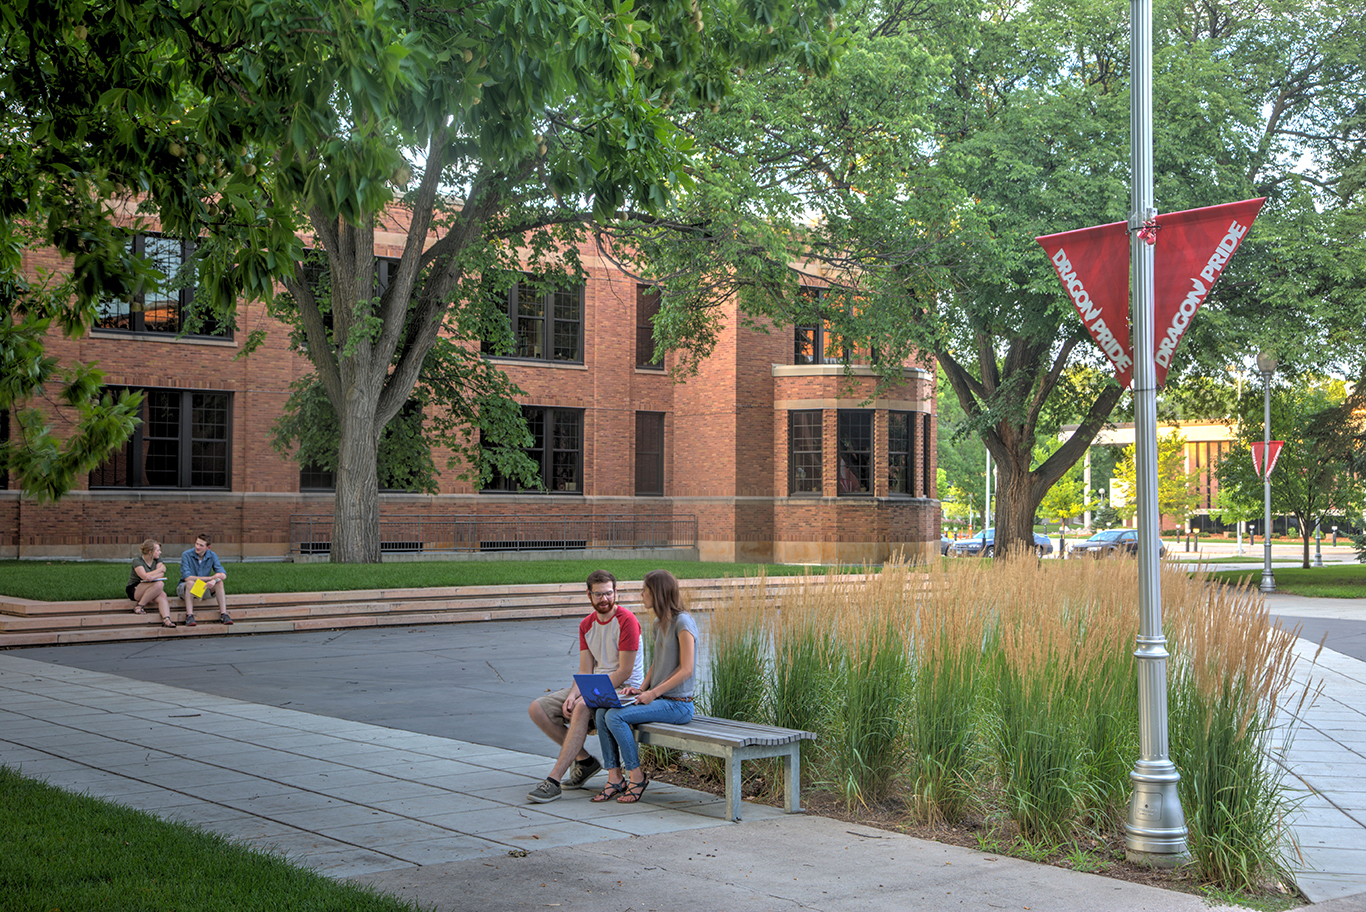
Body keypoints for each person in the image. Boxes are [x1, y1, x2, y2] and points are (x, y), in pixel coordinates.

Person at [527, 569, 644, 803]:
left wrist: (588, 696)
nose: (604, 599)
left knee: (581, 707)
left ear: (616, 592)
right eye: (598, 594)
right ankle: (585, 761)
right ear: (589, 595)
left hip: (625, 690)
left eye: (609, 593)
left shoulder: (626, 620)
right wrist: (573, 694)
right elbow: (585, 670)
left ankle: (553, 781)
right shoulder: (586, 625)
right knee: (538, 708)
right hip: (597, 686)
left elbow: (625, 671)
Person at [592, 569, 696, 805]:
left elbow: (687, 669)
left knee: (615, 717)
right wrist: (641, 689)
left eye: (645, 591)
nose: (642, 595)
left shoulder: (683, 622)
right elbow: (657, 662)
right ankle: (614, 778)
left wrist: (653, 693)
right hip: (660, 700)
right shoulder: (660, 623)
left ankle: (637, 777)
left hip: (678, 705)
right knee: (601, 712)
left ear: (658, 593)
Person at [178, 534, 231, 626]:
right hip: (185, 588)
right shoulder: (186, 554)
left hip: (202, 588)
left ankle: (224, 615)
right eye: (196, 544)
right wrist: (210, 578)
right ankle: (189, 616)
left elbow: (223, 574)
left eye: (201, 545)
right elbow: (187, 577)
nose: (197, 547)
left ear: (208, 547)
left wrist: (214, 580)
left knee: (220, 583)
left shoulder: (212, 555)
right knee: (190, 583)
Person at [127, 540, 175, 629]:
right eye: (158, 550)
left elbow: (161, 575)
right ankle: (139, 606)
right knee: (160, 584)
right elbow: (144, 576)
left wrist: (152, 576)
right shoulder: (137, 561)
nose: (160, 552)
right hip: (135, 588)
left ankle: (166, 619)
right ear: (150, 552)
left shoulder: (158, 558)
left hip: (152, 586)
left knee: (163, 595)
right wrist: (159, 570)